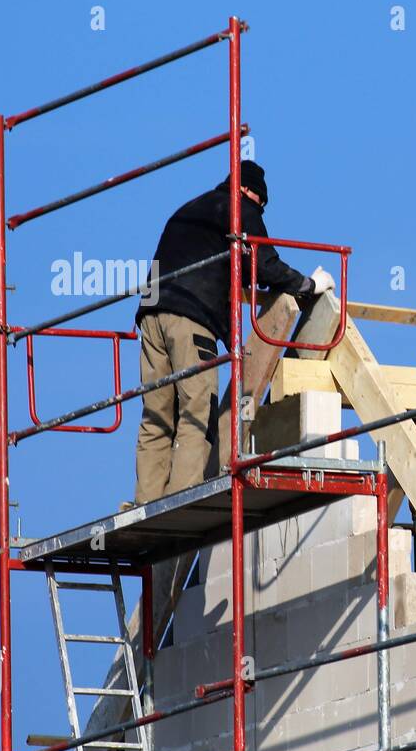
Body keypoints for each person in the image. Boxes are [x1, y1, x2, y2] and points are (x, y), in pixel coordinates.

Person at [132, 161, 334, 505]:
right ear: (251, 192)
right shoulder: (241, 209)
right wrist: (308, 284)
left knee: (157, 415)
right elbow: (264, 263)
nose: (260, 210)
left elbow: (234, 267)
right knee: (197, 410)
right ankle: (182, 501)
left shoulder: (190, 210)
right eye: (261, 203)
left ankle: (144, 502)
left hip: (150, 316)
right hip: (190, 320)